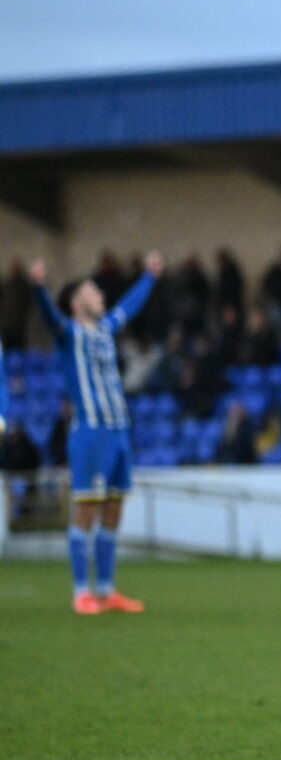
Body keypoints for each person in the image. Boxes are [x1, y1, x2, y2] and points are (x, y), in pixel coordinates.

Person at [32, 251, 164, 614]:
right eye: (92, 292)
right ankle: (81, 593)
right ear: (77, 304)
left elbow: (129, 306)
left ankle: (106, 591)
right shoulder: (69, 334)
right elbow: (49, 316)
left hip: (119, 430)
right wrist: (40, 287)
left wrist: (149, 276)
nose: (100, 295)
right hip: (91, 431)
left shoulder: (106, 329)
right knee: (87, 508)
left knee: (114, 508)